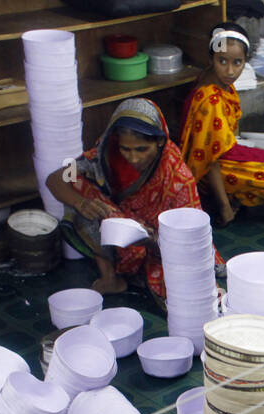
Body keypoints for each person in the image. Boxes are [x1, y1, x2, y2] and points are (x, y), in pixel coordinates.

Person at [46, 98, 220, 299]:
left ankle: (136, 266)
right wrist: (82, 203)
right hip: (121, 225)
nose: (133, 158)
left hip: (160, 239)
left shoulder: (177, 176)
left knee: (185, 287)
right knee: (81, 191)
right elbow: (55, 178)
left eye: (142, 149)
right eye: (125, 149)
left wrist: (151, 239)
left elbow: (189, 234)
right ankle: (110, 278)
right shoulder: (104, 156)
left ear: (160, 142)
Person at [179, 22, 264, 225]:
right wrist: (225, 208)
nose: (230, 71)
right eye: (222, 61)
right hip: (212, 168)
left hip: (225, 154)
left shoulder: (219, 81)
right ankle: (226, 199)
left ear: (245, 61)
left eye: (237, 63)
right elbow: (209, 160)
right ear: (211, 58)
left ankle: (234, 196)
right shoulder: (210, 98)